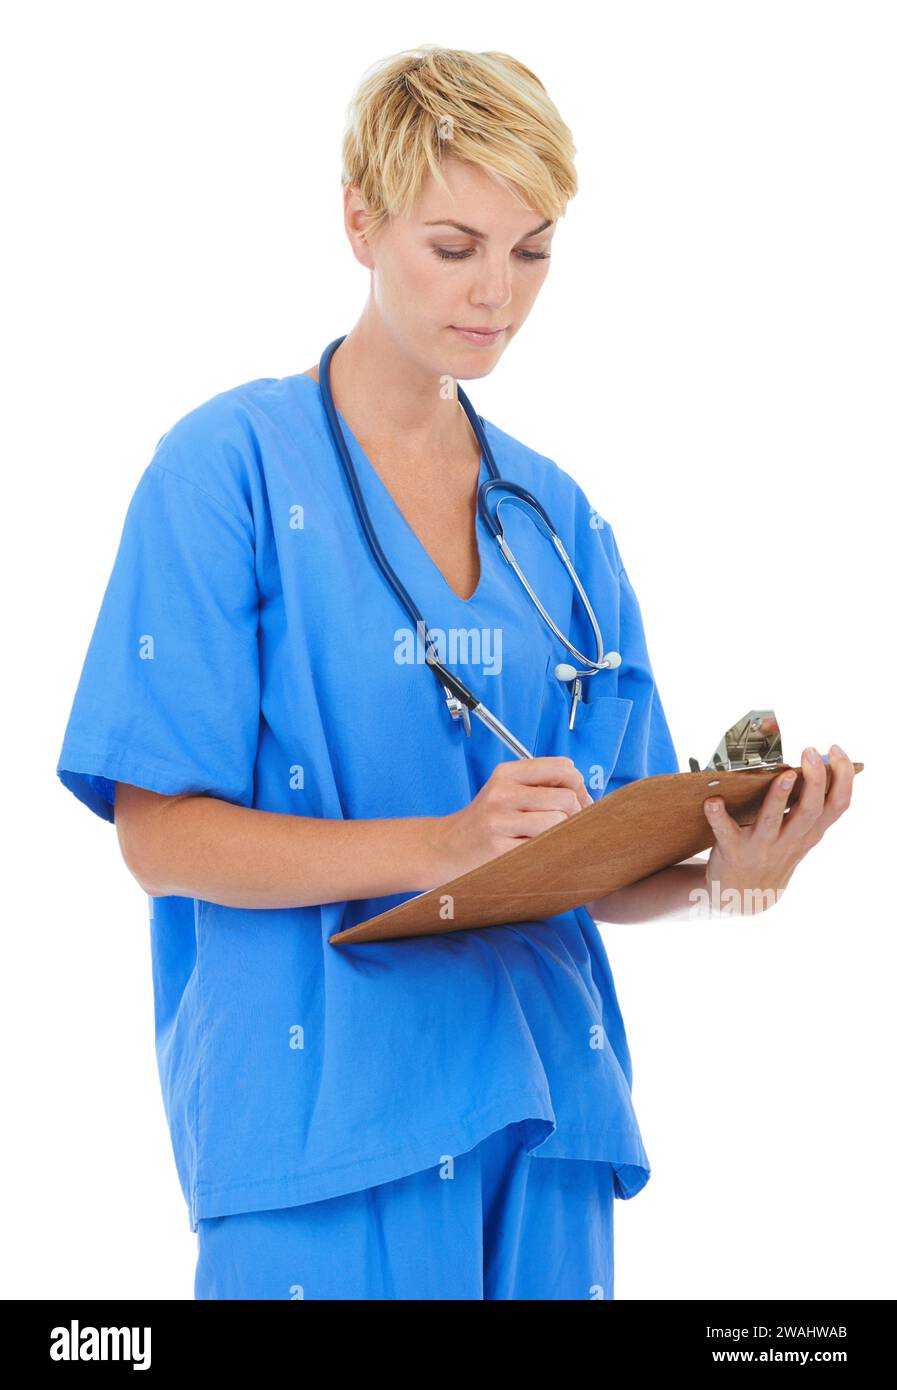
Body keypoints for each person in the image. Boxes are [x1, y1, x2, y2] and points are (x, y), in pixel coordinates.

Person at [56, 45, 855, 1301]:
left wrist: (730, 881)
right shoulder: (228, 472)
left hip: (545, 1116)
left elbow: (599, 863)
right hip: (319, 1129)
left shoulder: (559, 519)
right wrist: (442, 841)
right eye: (454, 245)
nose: (499, 292)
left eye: (533, 251)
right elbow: (158, 837)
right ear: (360, 221)